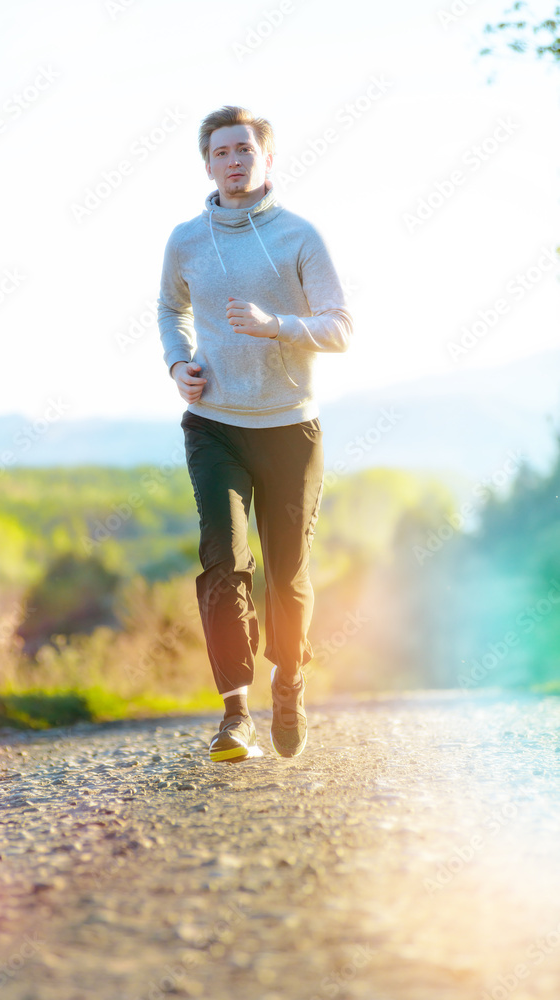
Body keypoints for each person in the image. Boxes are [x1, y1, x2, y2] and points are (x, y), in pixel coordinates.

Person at [157, 105, 353, 763]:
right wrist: (177, 363)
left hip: (290, 427)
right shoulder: (186, 239)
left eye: (243, 149)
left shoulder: (299, 235)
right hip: (214, 424)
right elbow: (170, 308)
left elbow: (341, 327)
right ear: (207, 164)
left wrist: (277, 327)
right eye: (221, 152)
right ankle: (235, 713)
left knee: (287, 573)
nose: (233, 161)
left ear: (266, 158)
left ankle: (288, 680)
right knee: (224, 563)